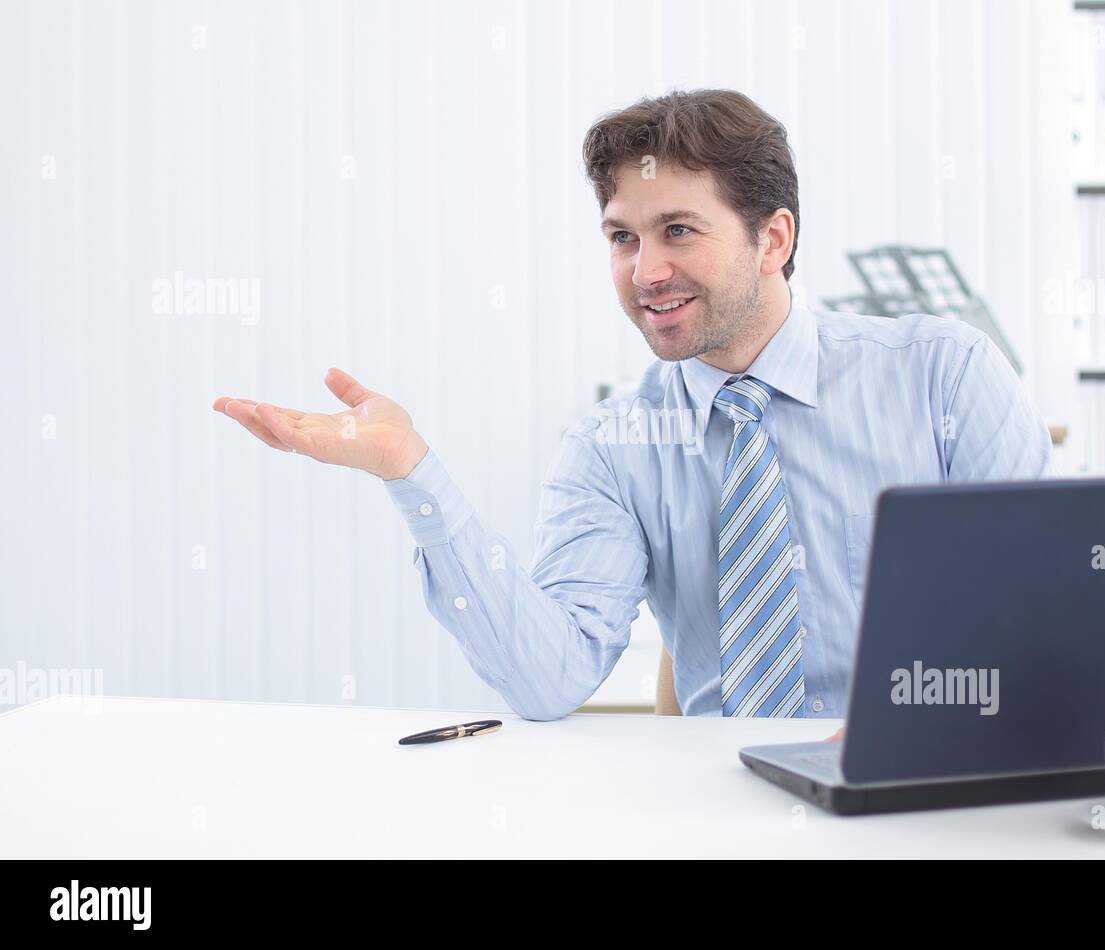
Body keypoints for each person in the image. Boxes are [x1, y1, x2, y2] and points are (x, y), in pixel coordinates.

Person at [213, 89, 1052, 724]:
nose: (645, 271)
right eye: (623, 237)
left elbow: (1043, 627)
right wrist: (414, 476)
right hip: (717, 812)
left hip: (919, 795)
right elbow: (550, 680)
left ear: (773, 240)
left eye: (678, 230)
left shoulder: (946, 377)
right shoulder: (615, 447)